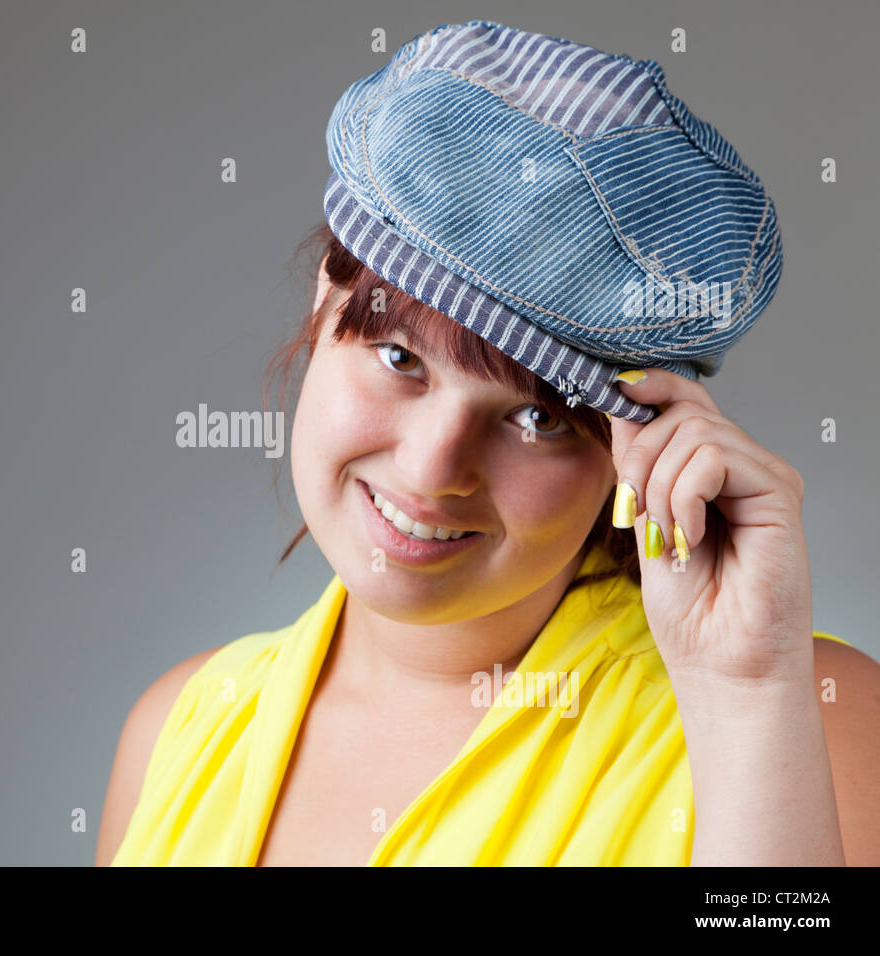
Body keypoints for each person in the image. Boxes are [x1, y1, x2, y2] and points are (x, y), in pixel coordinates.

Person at [97, 20, 880, 866]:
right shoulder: (180, 729)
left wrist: (747, 700)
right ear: (324, 303)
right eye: (401, 359)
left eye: (539, 418)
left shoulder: (809, 719)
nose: (435, 467)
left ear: (639, 446)